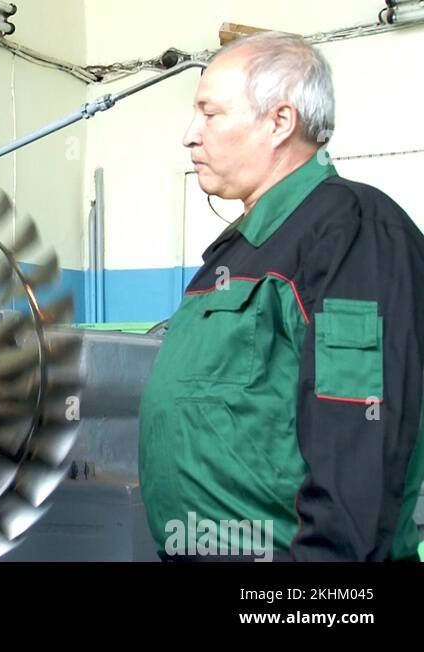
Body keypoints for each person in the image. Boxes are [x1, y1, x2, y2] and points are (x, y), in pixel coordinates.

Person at [138, 31, 424, 561]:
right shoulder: (240, 250)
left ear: (279, 122)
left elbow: (360, 437)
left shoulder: (351, 233)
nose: (189, 135)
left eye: (209, 113)